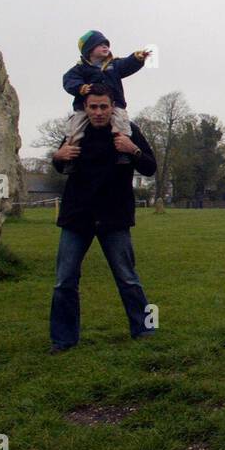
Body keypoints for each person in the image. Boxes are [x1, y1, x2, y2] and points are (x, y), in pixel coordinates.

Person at [48, 84, 158, 353]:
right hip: (77, 216)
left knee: (127, 277)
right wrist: (57, 157)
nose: (98, 113)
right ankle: (63, 340)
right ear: (85, 107)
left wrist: (133, 150)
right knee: (65, 281)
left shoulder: (127, 131)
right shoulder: (76, 132)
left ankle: (145, 329)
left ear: (113, 107)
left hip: (114, 216)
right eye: (93, 107)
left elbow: (150, 168)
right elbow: (61, 164)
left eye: (103, 107)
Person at [61, 29, 151, 164]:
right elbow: (69, 80)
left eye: (106, 44)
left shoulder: (113, 65)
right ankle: (70, 158)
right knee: (75, 129)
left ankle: (122, 153)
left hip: (116, 104)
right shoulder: (80, 69)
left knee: (121, 124)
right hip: (83, 107)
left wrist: (137, 58)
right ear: (89, 50)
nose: (105, 47)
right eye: (100, 44)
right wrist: (80, 87)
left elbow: (126, 64)